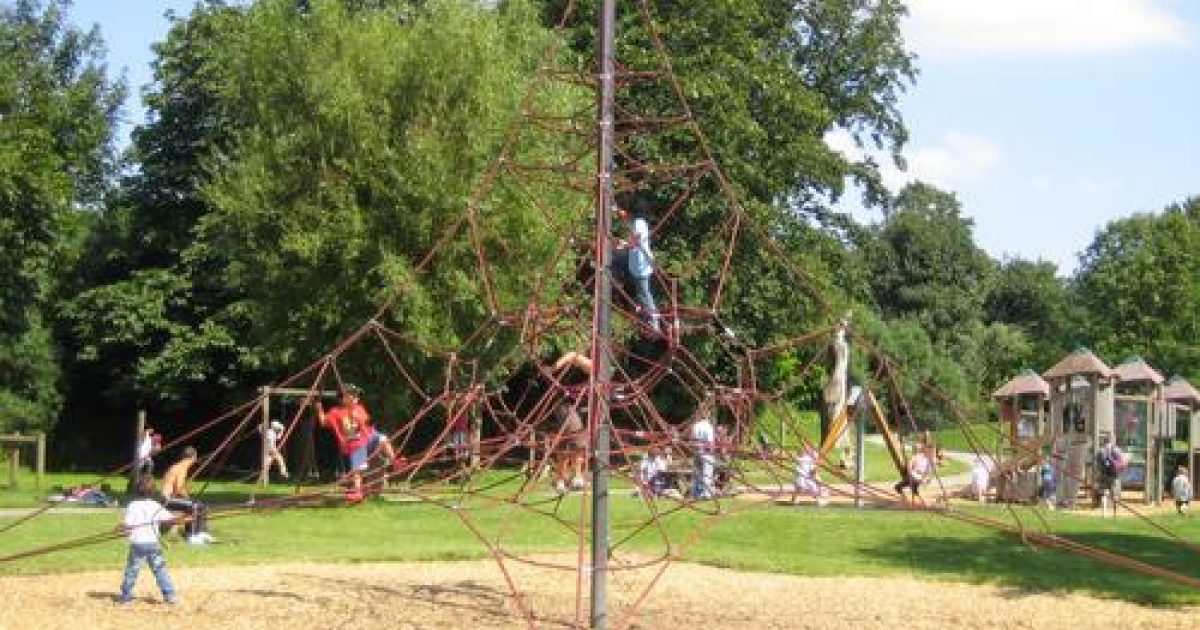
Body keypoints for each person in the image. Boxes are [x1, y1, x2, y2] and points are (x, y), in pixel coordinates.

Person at [316, 384, 403, 502]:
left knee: (383, 439)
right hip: (354, 444)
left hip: (368, 437)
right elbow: (323, 422)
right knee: (358, 469)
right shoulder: (336, 412)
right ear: (344, 398)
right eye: (353, 394)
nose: (356, 397)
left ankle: (395, 461)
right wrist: (319, 408)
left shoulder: (359, 408)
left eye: (356, 395)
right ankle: (357, 491)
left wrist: (354, 413)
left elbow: (364, 422)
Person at [116, 476, 178, 606]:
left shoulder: (133, 505)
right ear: (153, 491)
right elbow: (171, 520)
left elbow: (127, 527)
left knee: (132, 569)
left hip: (138, 544)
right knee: (159, 569)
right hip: (153, 544)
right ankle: (170, 595)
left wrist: (119, 529)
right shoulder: (155, 505)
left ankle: (126, 597)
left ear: (136, 491)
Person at [617, 207, 659, 333]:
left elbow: (636, 240)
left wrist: (625, 244)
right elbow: (629, 224)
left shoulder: (639, 224)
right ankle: (645, 312)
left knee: (645, 293)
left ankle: (654, 322)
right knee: (642, 291)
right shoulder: (639, 222)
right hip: (638, 264)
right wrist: (620, 213)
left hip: (641, 267)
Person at [162, 446, 214, 544]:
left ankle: (201, 532)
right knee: (195, 506)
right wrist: (188, 498)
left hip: (172, 497)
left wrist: (188, 498)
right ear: (193, 457)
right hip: (168, 499)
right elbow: (179, 487)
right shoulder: (181, 467)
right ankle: (191, 535)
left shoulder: (179, 466)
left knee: (200, 505)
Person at [690, 403, 716, 500]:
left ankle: (695, 493)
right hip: (706, 452)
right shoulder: (708, 426)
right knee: (707, 473)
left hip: (696, 451)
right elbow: (710, 442)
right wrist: (712, 452)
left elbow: (692, 439)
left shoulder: (695, 426)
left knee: (697, 474)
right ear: (707, 414)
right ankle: (706, 494)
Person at [1094, 435, 1124, 517]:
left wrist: (1099, 474)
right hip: (1114, 476)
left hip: (1103, 475)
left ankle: (1104, 513)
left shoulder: (1100, 451)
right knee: (1115, 494)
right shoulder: (1116, 449)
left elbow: (1098, 465)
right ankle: (1115, 514)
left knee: (1104, 493)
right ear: (1112, 440)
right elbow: (1121, 463)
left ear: (1104, 441)